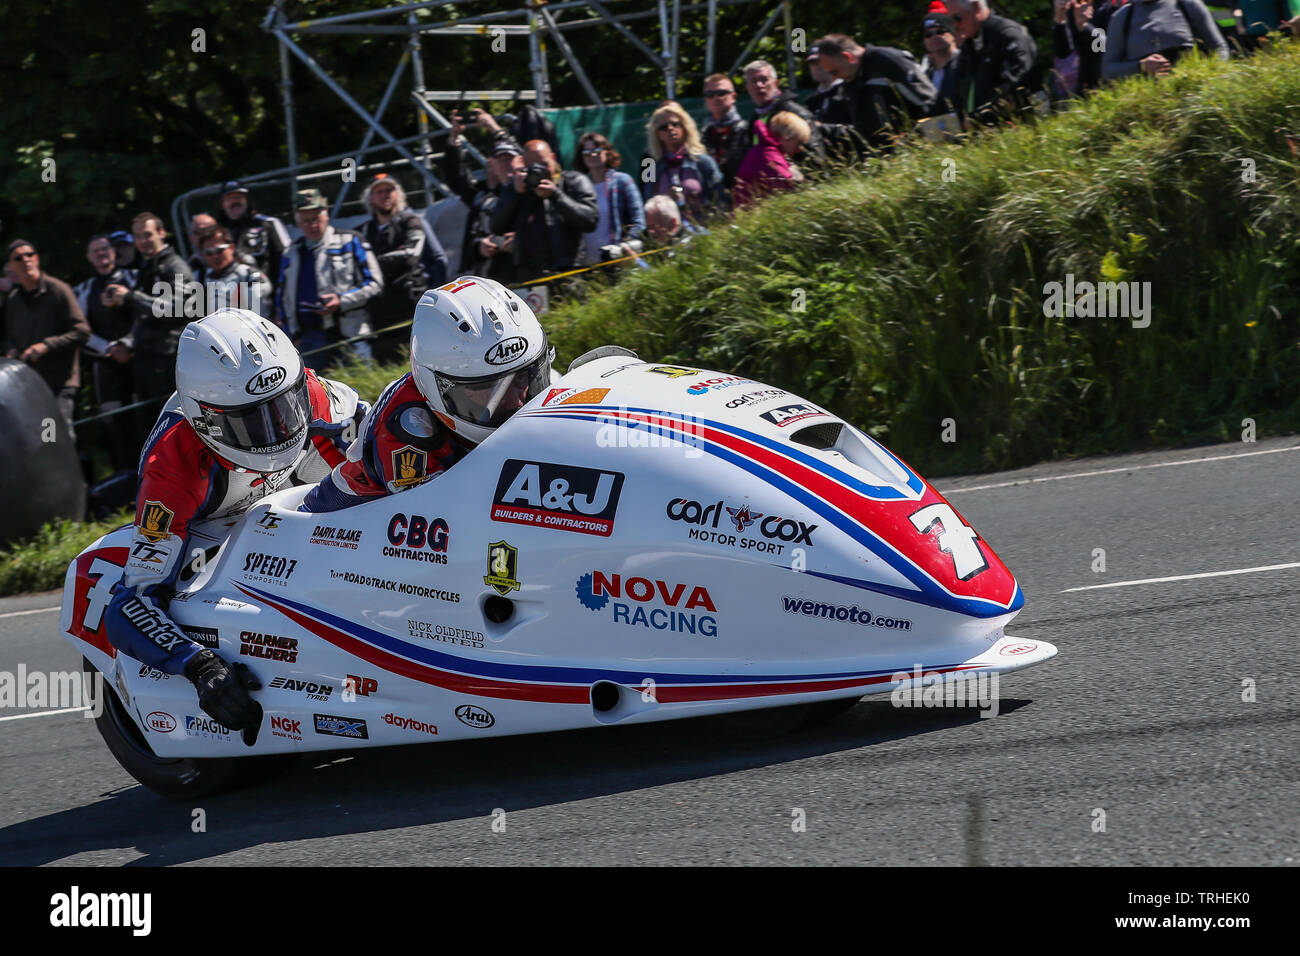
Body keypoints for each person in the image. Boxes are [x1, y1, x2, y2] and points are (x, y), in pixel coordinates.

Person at [104, 309, 366, 732]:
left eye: (284, 406)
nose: (278, 428)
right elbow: (130, 602)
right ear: (207, 420)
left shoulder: (311, 391)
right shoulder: (171, 466)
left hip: (294, 490)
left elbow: (383, 445)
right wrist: (200, 665)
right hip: (214, 531)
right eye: (252, 422)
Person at [303, 277, 552, 512]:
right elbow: (454, 525)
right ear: (437, 388)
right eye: (491, 391)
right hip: (340, 532)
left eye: (523, 379)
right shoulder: (405, 432)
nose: (518, 400)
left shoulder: (538, 380)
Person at [275, 188, 383, 367]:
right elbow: (282, 299)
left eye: (316, 218)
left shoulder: (351, 240)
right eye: (306, 220)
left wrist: (341, 301)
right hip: (308, 341)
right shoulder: (291, 253)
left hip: (350, 334)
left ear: (326, 215)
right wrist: (291, 336)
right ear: (298, 223)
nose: (312, 225)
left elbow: (375, 283)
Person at [101, 212, 192, 403]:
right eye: (138, 236)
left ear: (161, 232)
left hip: (170, 359)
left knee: (174, 423)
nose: (143, 241)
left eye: (148, 234)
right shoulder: (148, 267)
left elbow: (174, 308)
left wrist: (130, 296)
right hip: (146, 359)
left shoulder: (174, 266)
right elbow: (143, 316)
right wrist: (119, 305)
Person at [2, 239, 91, 433]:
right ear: (10, 267)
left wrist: (46, 346)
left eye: (30, 255)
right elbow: (9, 337)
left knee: (58, 437)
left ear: (38, 259)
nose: (26, 260)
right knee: (42, 440)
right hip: (30, 384)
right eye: (18, 258)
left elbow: (82, 331)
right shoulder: (13, 301)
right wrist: (12, 349)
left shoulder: (57, 290)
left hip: (60, 383)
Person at [360, 173, 446, 365]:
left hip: (414, 310)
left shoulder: (412, 221)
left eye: (389, 190)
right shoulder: (364, 232)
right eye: (379, 191)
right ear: (370, 198)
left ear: (398, 194)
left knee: (423, 365)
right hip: (381, 318)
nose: (385, 195)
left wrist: (436, 299)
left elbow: (424, 256)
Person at [489, 139, 599, 282]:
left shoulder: (574, 181)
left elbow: (590, 220)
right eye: (533, 166)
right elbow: (496, 227)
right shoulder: (518, 188)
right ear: (523, 163)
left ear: (553, 158)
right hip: (530, 277)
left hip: (570, 272)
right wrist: (513, 194)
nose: (540, 171)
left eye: (544, 164)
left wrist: (556, 196)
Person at [814, 34, 938, 155]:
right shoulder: (851, 79)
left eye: (835, 72)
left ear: (848, 57)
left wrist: (935, 149)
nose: (835, 77)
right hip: (886, 160)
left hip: (918, 152)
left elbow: (929, 103)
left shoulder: (887, 61)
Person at [74, 235, 137, 471]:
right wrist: (109, 348)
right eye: (95, 251)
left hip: (137, 359)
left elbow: (145, 316)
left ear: (113, 252)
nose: (101, 254)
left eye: (104, 249)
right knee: (113, 422)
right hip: (105, 365)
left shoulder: (135, 278)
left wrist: (127, 344)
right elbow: (80, 329)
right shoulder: (83, 290)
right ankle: (124, 477)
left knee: (144, 418)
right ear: (89, 258)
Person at [441, 110, 524, 281]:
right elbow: (455, 177)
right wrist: (454, 137)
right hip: (491, 274)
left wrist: (493, 127)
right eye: (501, 160)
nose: (506, 165)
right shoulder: (482, 195)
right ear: (491, 164)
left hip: (525, 267)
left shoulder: (526, 188)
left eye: (510, 159)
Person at [944, 0, 1040, 125]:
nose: (955, 26)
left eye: (957, 18)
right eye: (950, 20)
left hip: (1022, 127)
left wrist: (980, 117)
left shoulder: (1008, 34)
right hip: (986, 131)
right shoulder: (970, 46)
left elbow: (1018, 82)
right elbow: (960, 91)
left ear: (976, 7)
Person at [1101, 0, 1230, 80]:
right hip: (1149, 109)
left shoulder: (1187, 4)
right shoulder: (1122, 17)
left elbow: (1220, 48)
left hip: (1194, 97)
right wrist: (1141, 66)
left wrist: (1210, 75)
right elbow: (1108, 69)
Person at [642, 103, 723, 225]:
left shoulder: (703, 161)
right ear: (657, 134)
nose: (670, 129)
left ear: (685, 128)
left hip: (703, 231)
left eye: (675, 124)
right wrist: (665, 199)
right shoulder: (649, 164)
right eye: (664, 127)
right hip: (666, 235)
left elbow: (720, 199)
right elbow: (646, 200)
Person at [574, 132, 646, 266]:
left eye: (597, 150)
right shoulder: (578, 188)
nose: (593, 155)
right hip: (587, 267)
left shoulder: (623, 181)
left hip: (618, 262)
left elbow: (639, 222)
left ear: (607, 153)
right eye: (587, 153)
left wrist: (624, 247)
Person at [215, 181, 292, 292]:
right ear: (222, 204)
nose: (235, 201)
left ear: (247, 200)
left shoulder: (268, 224)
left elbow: (287, 261)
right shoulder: (217, 233)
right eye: (229, 198)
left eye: (239, 197)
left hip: (267, 297)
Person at [733, 113, 808, 208]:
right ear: (786, 137)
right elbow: (787, 186)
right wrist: (798, 178)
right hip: (751, 215)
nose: (799, 149)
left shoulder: (770, 151)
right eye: (799, 143)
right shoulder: (768, 153)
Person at [196, 226, 272, 318]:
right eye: (209, 252)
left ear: (231, 247)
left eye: (219, 250)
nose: (215, 256)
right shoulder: (200, 278)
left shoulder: (247, 274)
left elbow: (261, 311)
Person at [699, 74, 751, 196]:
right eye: (710, 95)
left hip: (746, 200)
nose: (716, 98)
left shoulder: (748, 129)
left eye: (722, 93)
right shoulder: (703, 134)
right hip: (713, 204)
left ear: (734, 96)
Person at [920, 3, 965, 114]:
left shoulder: (965, 63)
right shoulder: (925, 75)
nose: (934, 36)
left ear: (953, 34)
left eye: (940, 32)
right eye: (928, 34)